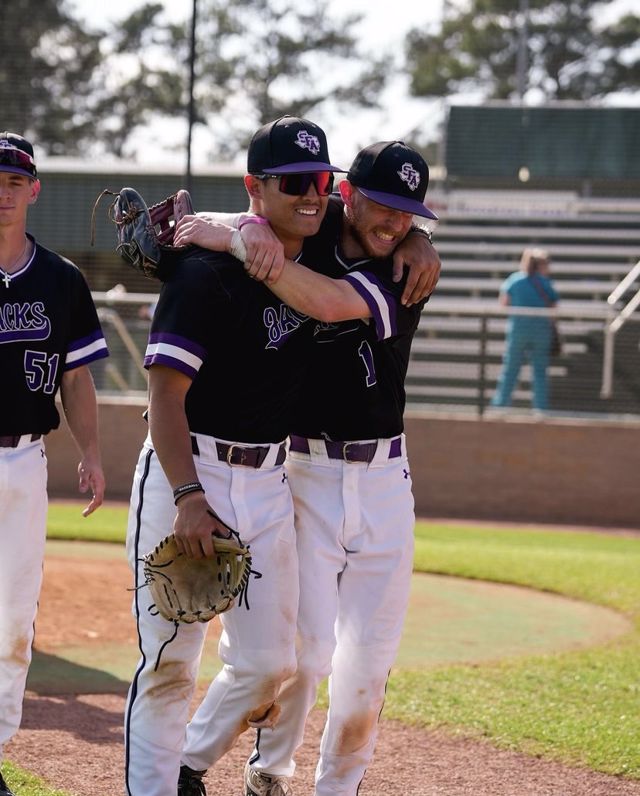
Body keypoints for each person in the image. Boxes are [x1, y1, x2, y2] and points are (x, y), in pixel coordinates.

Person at [174, 140, 439, 796]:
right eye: (382, 205)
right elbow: (253, 215)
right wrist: (242, 229)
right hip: (306, 471)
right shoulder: (305, 232)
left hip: (385, 482)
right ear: (345, 193)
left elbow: (323, 302)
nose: (395, 223)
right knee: (307, 652)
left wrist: (243, 244)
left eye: (409, 215)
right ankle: (259, 773)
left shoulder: (406, 271)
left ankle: (336, 791)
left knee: (366, 674)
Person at [124, 116, 344, 796]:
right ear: (255, 187)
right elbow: (164, 397)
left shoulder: (322, 246)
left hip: (269, 479)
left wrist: (421, 236)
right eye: (295, 183)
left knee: (271, 660)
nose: (313, 196)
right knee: (169, 661)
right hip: (190, 469)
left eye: (323, 182)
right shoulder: (203, 274)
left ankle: (189, 762)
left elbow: (386, 216)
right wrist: (191, 497)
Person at [0, 132, 108, 796]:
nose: (2, 194)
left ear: (33, 190)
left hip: (24, 462)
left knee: (13, 617)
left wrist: (91, 452)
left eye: (14, 183)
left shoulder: (62, 280)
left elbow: (77, 380)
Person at [491, 247, 559, 411]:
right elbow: (554, 306)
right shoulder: (545, 282)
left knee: (510, 370)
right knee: (540, 373)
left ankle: (499, 407)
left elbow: (504, 303)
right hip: (541, 331)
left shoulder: (514, 280)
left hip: (518, 330)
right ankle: (540, 410)